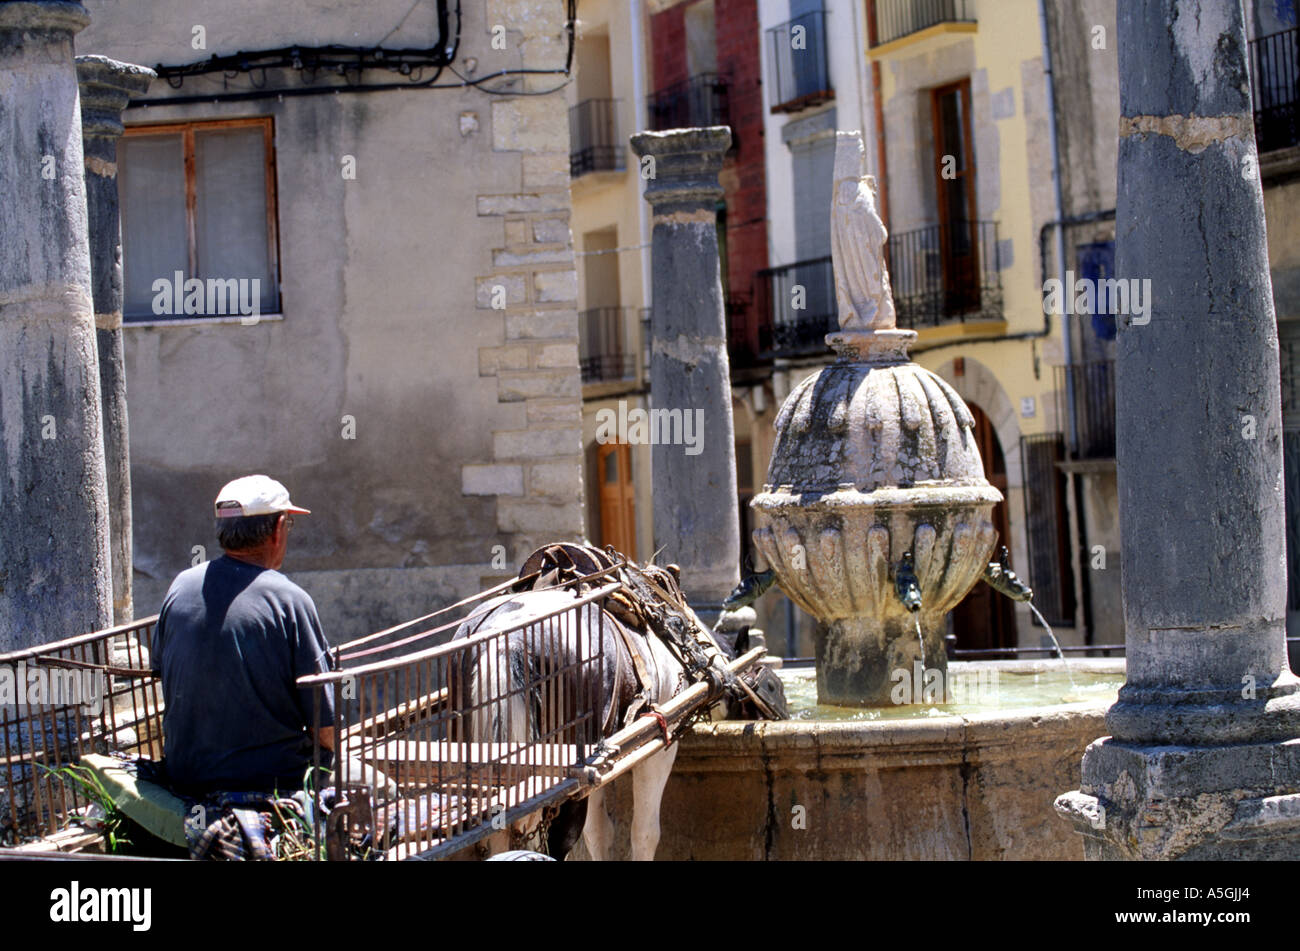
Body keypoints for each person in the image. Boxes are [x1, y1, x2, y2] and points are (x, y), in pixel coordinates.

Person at [150, 475, 335, 795]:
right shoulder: (290, 600)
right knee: (383, 790)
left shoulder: (181, 586)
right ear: (278, 529)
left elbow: (161, 671)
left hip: (185, 774)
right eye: (288, 525)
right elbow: (328, 732)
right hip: (271, 782)